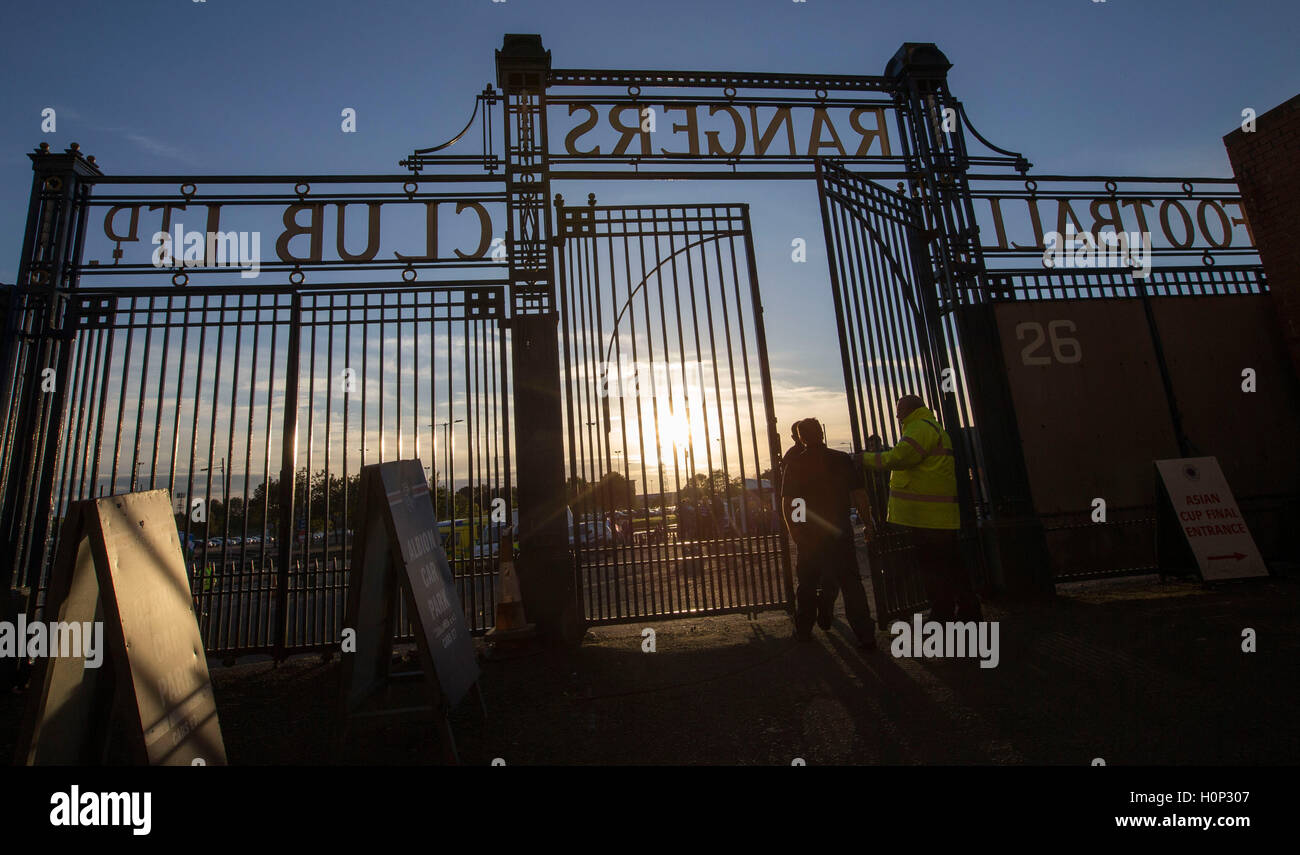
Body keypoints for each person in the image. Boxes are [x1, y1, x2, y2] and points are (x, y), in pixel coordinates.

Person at [859, 395, 981, 622]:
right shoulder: (931, 427)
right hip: (937, 515)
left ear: (909, 409)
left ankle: (942, 614)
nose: (896, 415)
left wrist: (863, 459)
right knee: (951, 566)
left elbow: (899, 457)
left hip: (928, 517)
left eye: (899, 409)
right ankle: (967, 610)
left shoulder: (919, 428)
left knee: (934, 569)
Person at [781, 419, 877, 649]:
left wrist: (796, 529)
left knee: (807, 584)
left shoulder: (796, 463)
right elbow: (860, 495)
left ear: (801, 437)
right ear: (822, 433)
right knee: (851, 584)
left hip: (810, 534)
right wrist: (868, 523)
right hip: (839, 531)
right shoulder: (841, 458)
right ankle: (865, 635)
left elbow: (791, 502)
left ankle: (803, 630)